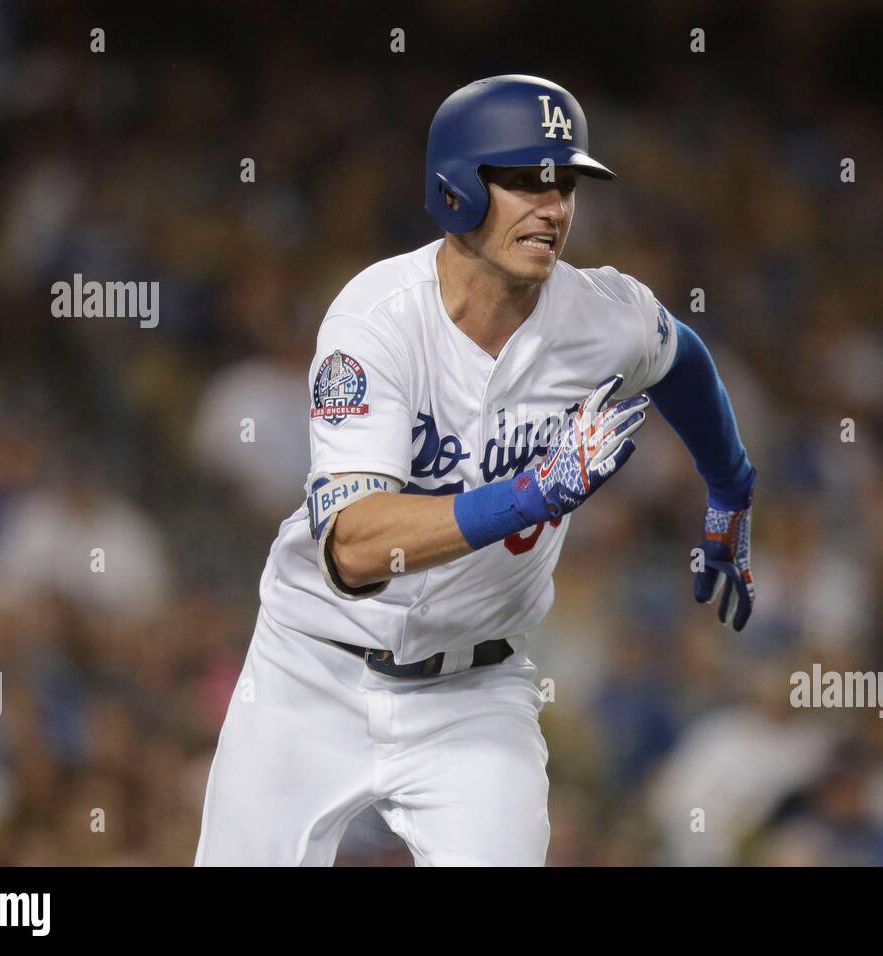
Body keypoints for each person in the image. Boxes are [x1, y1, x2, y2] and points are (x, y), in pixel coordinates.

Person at [195, 74, 757, 866]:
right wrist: (529, 494)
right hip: (312, 672)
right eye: (526, 180)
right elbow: (354, 548)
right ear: (457, 189)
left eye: (564, 182)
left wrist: (731, 487)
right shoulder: (376, 320)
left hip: (477, 693)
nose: (554, 205)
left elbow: (682, 360)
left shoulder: (603, 316)